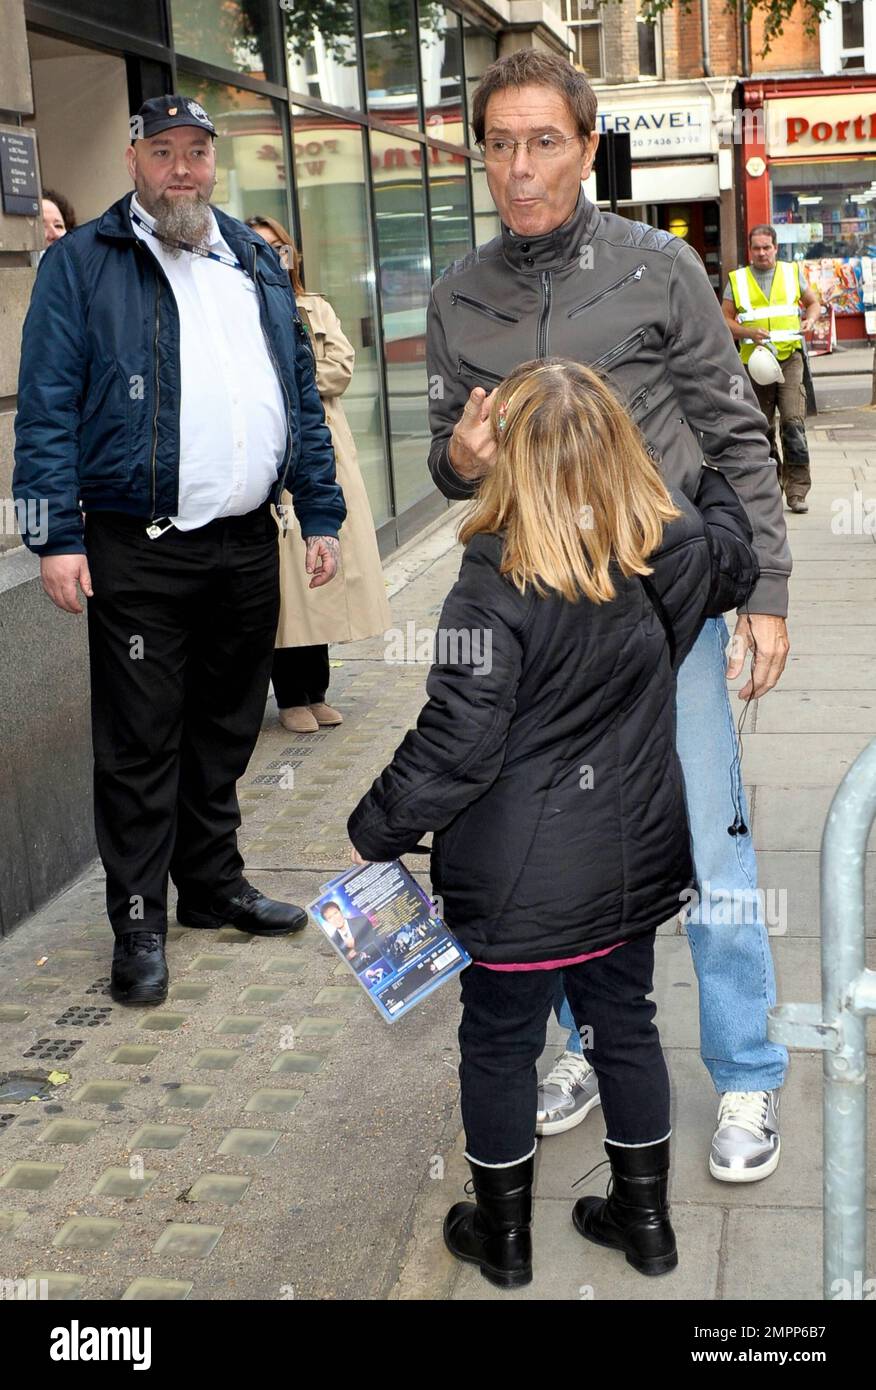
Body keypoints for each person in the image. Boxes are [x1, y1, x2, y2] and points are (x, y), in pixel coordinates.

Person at [425, 50, 791, 1184]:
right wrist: (460, 454)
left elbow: (736, 434)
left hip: (662, 622)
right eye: (500, 144)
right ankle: (584, 1046)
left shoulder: (659, 268)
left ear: (588, 148)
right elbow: (448, 466)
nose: (521, 166)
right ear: (481, 154)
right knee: (545, 858)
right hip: (531, 639)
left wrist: (766, 592)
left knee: (711, 851)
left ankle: (747, 1072)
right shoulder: (458, 296)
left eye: (545, 142)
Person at [348, 359, 760, 1288]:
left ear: (515, 461)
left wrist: (375, 827)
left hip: (517, 888)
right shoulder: (675, 543)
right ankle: (646, 1224)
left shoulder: (490, 582)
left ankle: (501, 1239)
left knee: (498, 1044)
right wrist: (719, 469)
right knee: (628, 1028)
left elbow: (455, 746)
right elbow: (735, 553)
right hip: (632, 869)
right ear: (623, 445)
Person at [13, 95, 346, 1007]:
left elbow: (299, 401)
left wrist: (319, 511)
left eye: (198, 152)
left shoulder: (252, 259)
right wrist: (53, 534)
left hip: (244, 545)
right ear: (132, 161)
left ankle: (210, 885)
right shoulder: (83, 265)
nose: (184, 169)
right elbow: (44, 408)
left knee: (227, 723)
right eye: (164, 152)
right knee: (139, 740)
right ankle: (136, 918)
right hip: (138, 550)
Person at [245, 216, 391, 734]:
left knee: (324, 574)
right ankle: (289, 697)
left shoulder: (316, 307)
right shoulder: (245, 308)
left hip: (327, 449)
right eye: (261, 248)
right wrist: (304, 371)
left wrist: (299, 371)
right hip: (279, 460)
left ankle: (317, 690)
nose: (274, 256)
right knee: (291, 589)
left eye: (280, 247)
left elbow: (340, 368)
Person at [722, 225, 821, 514]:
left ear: (776, 248)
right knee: (762, 427)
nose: (762, 253)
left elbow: (813, 303)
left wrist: (811, 320)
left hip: (790, 358)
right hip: (756, 362)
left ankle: (797, 491)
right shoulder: (737, 280)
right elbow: (723, 319)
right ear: (750, 250)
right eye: (757, 248)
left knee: (793, 422)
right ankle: (772, 487)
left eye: (767, 247)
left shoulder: (791, 273)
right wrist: (747, 331)